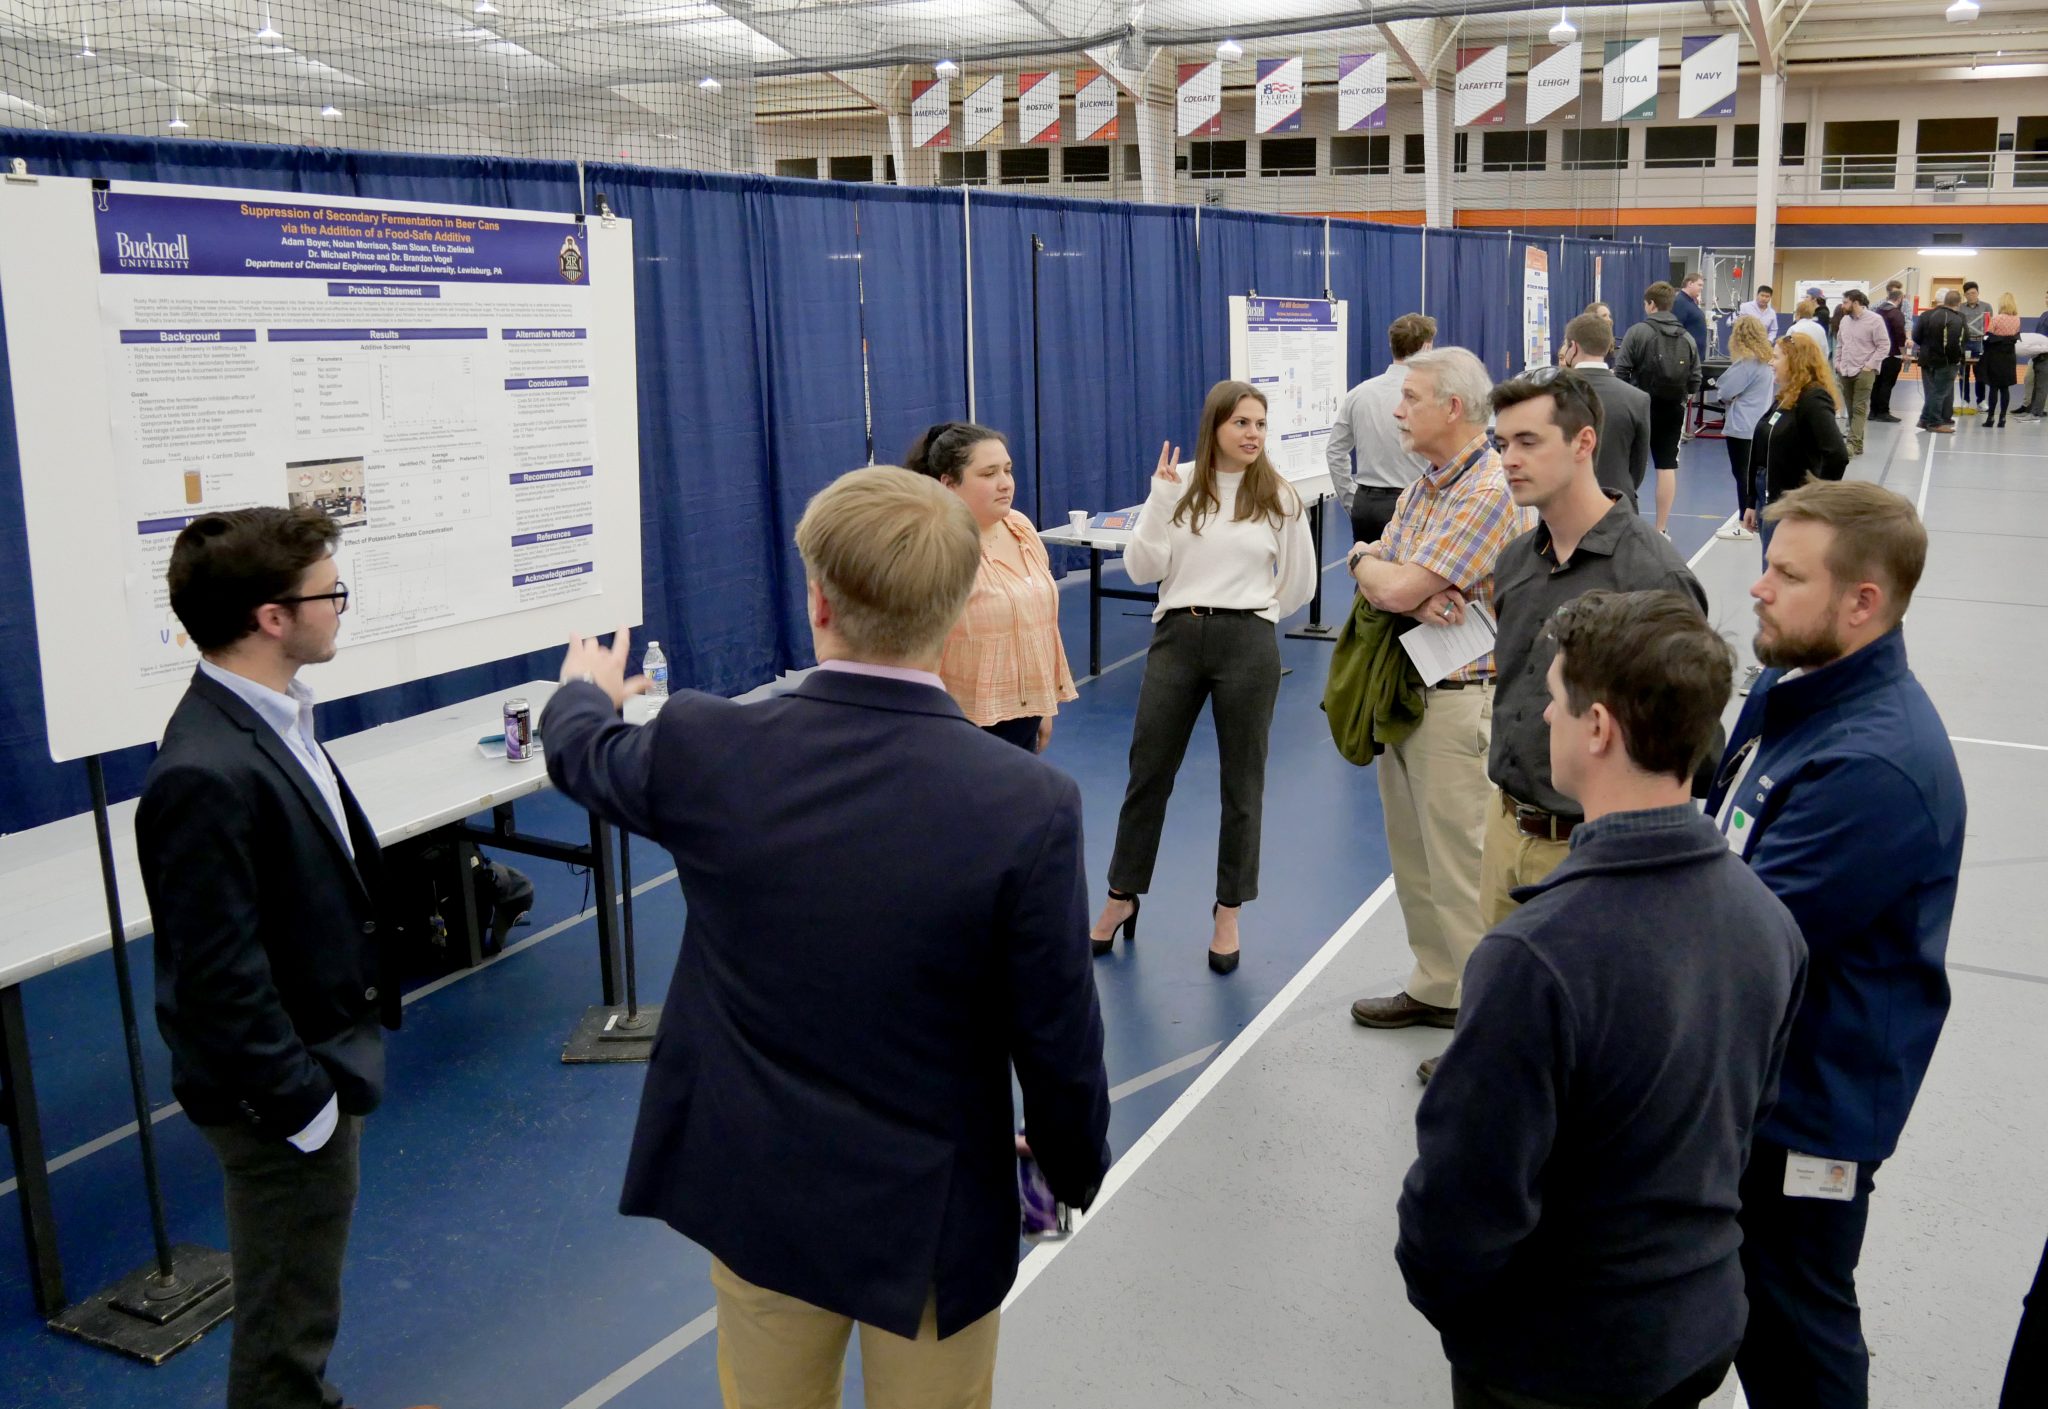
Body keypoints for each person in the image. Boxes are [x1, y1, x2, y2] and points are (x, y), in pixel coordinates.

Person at [542, 467, 1113, 1408]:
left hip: (762, 1191)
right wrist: (1074, 1163)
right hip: (932, 1211)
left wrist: (583, 691)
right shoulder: (1026, 804)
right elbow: (1056, 1032)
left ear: (817, 601)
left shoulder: (707, 748)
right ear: (959, 602)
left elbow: (584, 753)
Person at [1398, 589, 1807, 1409]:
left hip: (1558, 1360)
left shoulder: (1534, 956)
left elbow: (1460, 1207)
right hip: (1696, 1328)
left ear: (1598, 728)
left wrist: (1477, 1328)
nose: (1543, 717)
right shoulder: (1769, 921)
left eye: (1552, 700)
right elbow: (1745, 1123)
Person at [135, 508, 404, 1409]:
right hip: (282, 1098)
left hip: (314, 1064)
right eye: (329, 592)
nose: (342, 606)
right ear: (271, 618)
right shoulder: (203, 772)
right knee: (284, 1328)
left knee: (302, 1302)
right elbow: (219, 980)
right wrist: (304, 1106)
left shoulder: (271, 718)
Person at [1706, 480, 1965, 1409]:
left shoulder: (1873, 766)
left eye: (1786, 573)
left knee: (1796, 1334)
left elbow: (1742, 947)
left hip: (1804, 1118)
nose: (1759, 588)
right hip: (1758, 1092)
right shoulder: (1793, 683)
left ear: (1864, 602)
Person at [1473, 368, 1710, 978]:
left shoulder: (1651, 576)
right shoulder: (1518, 563)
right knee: (1506, 1004)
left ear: (1583, 444)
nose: (1509, 460)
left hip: (1593, 852)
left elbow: (1693, 747)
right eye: (1502, 445)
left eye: (1528, 442)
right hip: (1506, 831)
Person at [1093, 380, 1315, 973]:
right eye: (1242, 422)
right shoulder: (1177, 485)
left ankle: (1228, 912)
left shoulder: (1279, 496)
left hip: (1248, 642)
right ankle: (1121, 896)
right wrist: (1158, 504)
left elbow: (1299, 583)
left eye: (1261, 425)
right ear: (1215, 425)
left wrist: (1255, 615)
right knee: (1148, 773)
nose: (1253, 435)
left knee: (1243, 783)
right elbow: (1142, 569)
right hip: (1177, 641)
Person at [1346, 348, 1531, 1032]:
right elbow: (1375, 564)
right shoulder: (1428, 484)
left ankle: (1481, 1025)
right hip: (1412, 693)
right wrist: (1377, 565)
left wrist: (1386, 573)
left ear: (1452, 408)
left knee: (1460, 870)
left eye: (1412, 397)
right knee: (1415, 856)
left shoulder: (1486, 491)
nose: (1398, 409)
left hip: (1458, 703)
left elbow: (1391, 580)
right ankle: (1437, 985)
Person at [905, 421, 1076, 752]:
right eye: (988, 474)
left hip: (1022, 715)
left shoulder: (1020, 528)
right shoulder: (935, 549)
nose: (1005, 484)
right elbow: (914, 649)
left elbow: (1038, 622)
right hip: (957, 726)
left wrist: (1041, 707)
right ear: (949, 484)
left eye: (1008, 471)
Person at [1327, 313, 1436, 546]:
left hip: (1366, 505)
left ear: (1391, 345)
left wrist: (1351, 499)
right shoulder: (1430, 396)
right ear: (1427, 347)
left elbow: (1335, 451)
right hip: (1412, 503)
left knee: (1365, 574)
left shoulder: (1359, 394)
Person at [1744, 334, 1849, 550]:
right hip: (1767, 497)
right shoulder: (1786, 395)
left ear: (1795, 361)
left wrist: (1815, 499)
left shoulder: (1813, 399)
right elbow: (1762, 448)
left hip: (1790, 503)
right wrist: (1751, 502)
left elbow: (1837, 454)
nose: (1771, 363)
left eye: (1776, 358)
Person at [1614, 281, 1700, 539]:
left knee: (1627, 465)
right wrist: (1681, 398)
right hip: (1673, 408)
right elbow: (1695, 378)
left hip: (1639, 406)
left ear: (1650, 304)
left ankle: (1624, 524)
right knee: (1666, 466)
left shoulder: (1637, 332)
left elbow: (1621, 371)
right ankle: (1661, 529)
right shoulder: (1686, 337)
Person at [1557, 312, 1650, 511]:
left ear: (1573, 346)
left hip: (1563, 504)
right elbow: (1638, 464)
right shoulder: (1637, 399)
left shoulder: (1552, 395)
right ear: (1608, 346)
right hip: (1618, 503)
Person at [1716, 315, 1778, 542]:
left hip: (1742, 426)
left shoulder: (1747, 363)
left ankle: (1745, 521)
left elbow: (1724, 390)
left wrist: (1732, 397)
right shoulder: (1764, 360)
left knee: (1743, 475)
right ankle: (1756, 518)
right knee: (1754, 475)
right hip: (1759, 425)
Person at [1832, 291, 1889, 457]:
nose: (1843, 306)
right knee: (1850, 408)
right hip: (1845, 370)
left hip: (1864, 371)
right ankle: (1858, 445)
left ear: (1856, 303)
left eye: (1845, 302)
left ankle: (1851, 444)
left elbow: (1884, 345)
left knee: (1859, 408)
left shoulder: (1875, 320)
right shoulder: (1844, 321)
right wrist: (1838, 363)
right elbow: (1840, 344)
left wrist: (1869, 366)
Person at [1911, 289, 1968, 434]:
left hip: (1927, 358)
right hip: (1945, 361)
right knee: (1940, 392)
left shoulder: (1928, 315)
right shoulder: (1957, 318)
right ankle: (1935, 422)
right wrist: (1955, 360)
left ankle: (1924, 419)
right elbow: (1956, 342)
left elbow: (1916, 336)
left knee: (1933, 392)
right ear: (1958, 303)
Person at [1869, 281, 1909, 423]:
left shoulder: (1877, 312)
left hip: (1877, 353)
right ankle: (1883, 411)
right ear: (1899, 299)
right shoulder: (1896, 314)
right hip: (1892, 354)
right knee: (1887, 383)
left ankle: (1873, 411)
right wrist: (1904, 353)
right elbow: (1900, 335)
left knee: (1876, 383)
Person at [1981, 293, 2022, 428]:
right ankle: (2003, 418)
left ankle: (1990, 417)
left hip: (1995, 356)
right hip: (2009, 357)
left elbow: (1988, 335)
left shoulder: (1996, 319)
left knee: (1994, 387)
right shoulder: (2017, 319)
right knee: (2005, 388)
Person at [1958, 280, 1989, 412]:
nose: (1972, 296)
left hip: (1979, 342)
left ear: (1978, 293)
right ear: (1965, 295)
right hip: (1964, 342)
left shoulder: (1986, 307)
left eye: (1974, 293)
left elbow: (1989, 325)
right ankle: (1964, 400)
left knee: (1980, 373)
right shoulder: (1959, 307)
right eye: (1969, 293)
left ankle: (1981, 400)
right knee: (1963, 373)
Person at [2021, 289, 2048, 419]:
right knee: (2032, 380)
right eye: (2046, 297)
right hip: (2038, 354)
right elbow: (2037, 335)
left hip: (2046, 355)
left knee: (2042, 385)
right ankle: (2031, 409)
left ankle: (2037, 413)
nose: (2047, 300)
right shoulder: (2044, 314)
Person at [1673, 271, 1709, 358]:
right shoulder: (1680, 302)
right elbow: (1676, 329)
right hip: (1687, 356)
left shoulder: (1690, 302)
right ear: (1690, 283)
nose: (1701, 288)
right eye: (1699, 285)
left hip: (1695, 355)